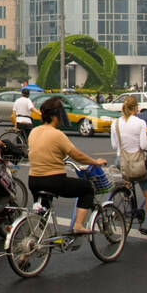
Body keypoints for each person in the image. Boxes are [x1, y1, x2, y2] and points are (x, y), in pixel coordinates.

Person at [27, 96, 106, 236]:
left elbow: (42, 151)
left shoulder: (34, 131)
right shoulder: (57, 134)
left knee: (43, 210)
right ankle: (78, 225)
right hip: (54, 181)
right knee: (87, 188)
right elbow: (77, 156)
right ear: (53, 116)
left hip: (34, 180)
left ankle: (36, 238)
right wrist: (95, 162)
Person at [111, 94, 147, 244]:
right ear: (135, 108)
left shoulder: (115, 123)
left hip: (121, 161)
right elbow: (143, 146)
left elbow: (114, 145)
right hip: (136, 162)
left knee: (128, 180)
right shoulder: (140, 123)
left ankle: (126, 197)